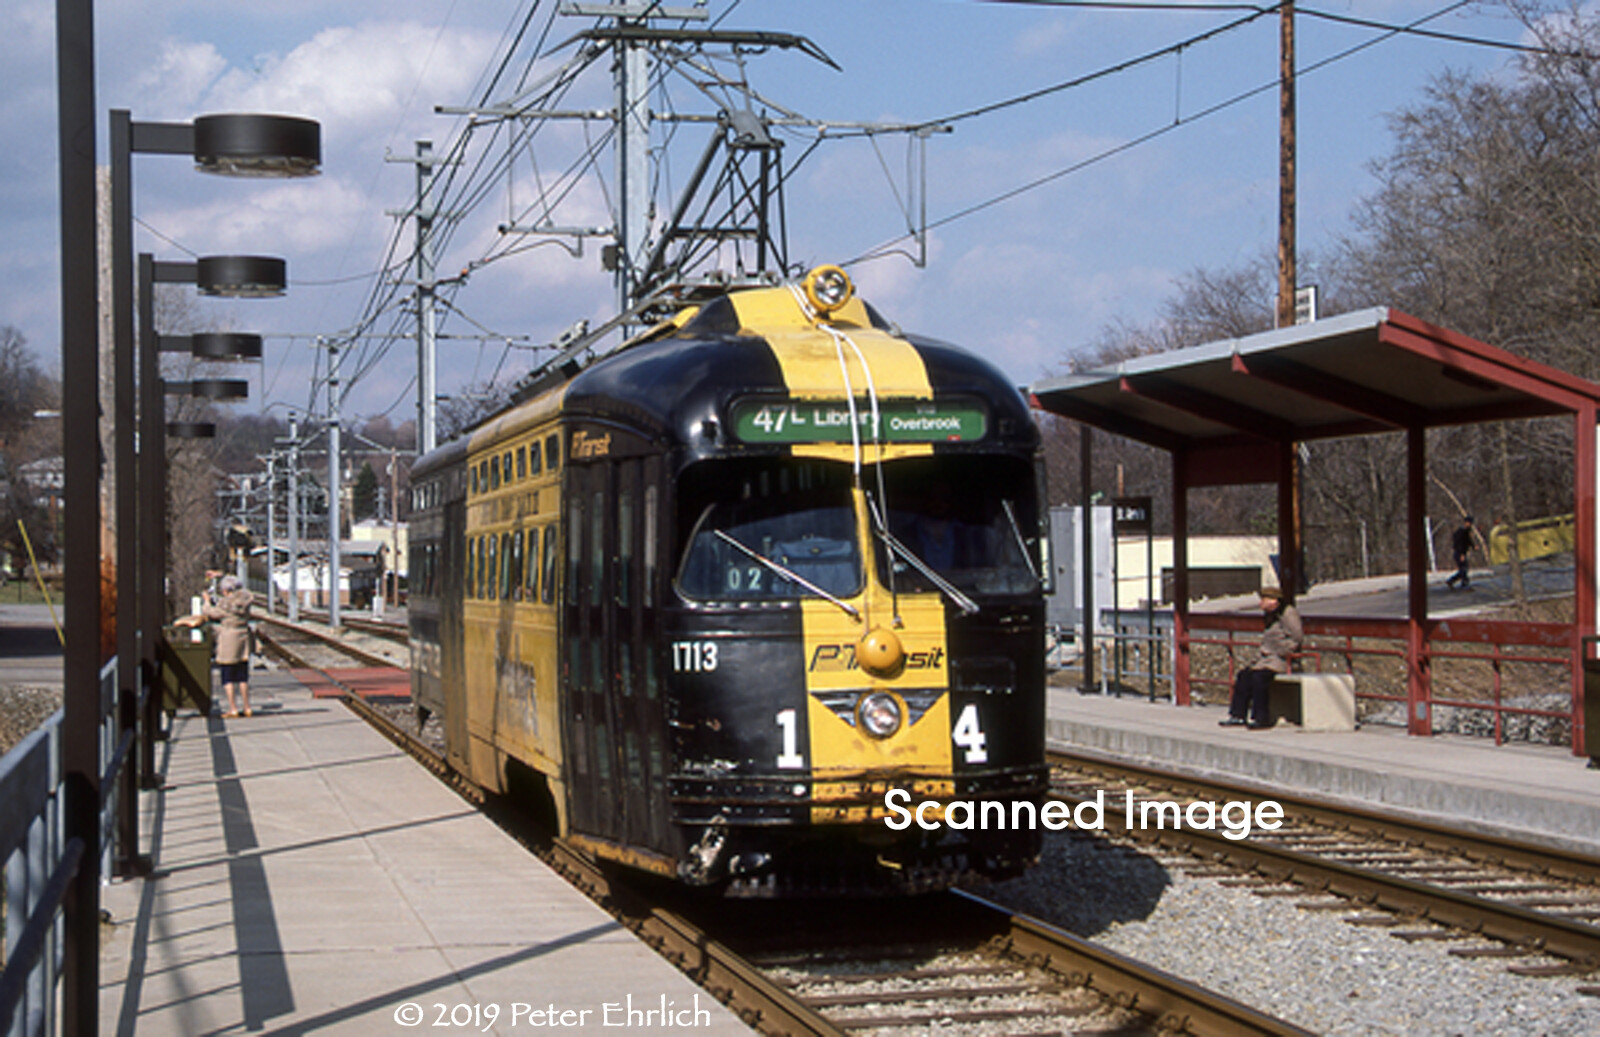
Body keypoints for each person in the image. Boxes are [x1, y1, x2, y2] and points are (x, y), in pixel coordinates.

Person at [1219, 585, 1303, 729]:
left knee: (1259, 679)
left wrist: (1282, 651)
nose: (1260, 603)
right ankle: (1237, 715)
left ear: (1274, 601)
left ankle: (1261, 717)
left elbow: (1297, 638)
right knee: (1244, 676)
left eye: (1264, 599)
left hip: (1281, 660)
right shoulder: (1270, 615)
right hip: (1266, 659)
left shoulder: (1287, 614)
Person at [176, 571, 255, 718]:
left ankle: (233, 709)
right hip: (244, 637)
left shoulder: (226, 604)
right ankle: (247, 707)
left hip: (229, 639)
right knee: (242, 676)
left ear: (226, 591)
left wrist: (206, 600)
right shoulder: (244, 601)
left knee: (228, 675)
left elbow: (211, 612)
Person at [1445, 515, 1476, 589]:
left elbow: (1468, 541)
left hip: (1461, 552)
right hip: (1459, 553)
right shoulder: (1462, 531)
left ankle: (1452, 581)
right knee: (1463, 569)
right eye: (1469, 523)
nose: (1470, 525)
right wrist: (1462, 554)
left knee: (1463, 569)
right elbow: (1460, 544)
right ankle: (1464, 583)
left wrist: (1473, 546)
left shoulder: (1466, 531)